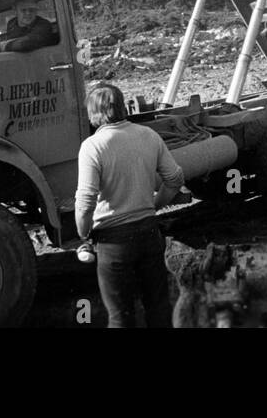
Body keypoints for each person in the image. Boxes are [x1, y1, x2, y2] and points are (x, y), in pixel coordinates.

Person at [74, 83, 184, 328]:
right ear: (123, 106)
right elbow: (175, 179)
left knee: (120, 317)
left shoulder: (92, 147)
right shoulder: (148, 135)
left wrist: (83, 234)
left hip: (113, 243)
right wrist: (153, 206)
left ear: (93, 114)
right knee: (158, 307)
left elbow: (85, 202)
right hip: (149, 233)